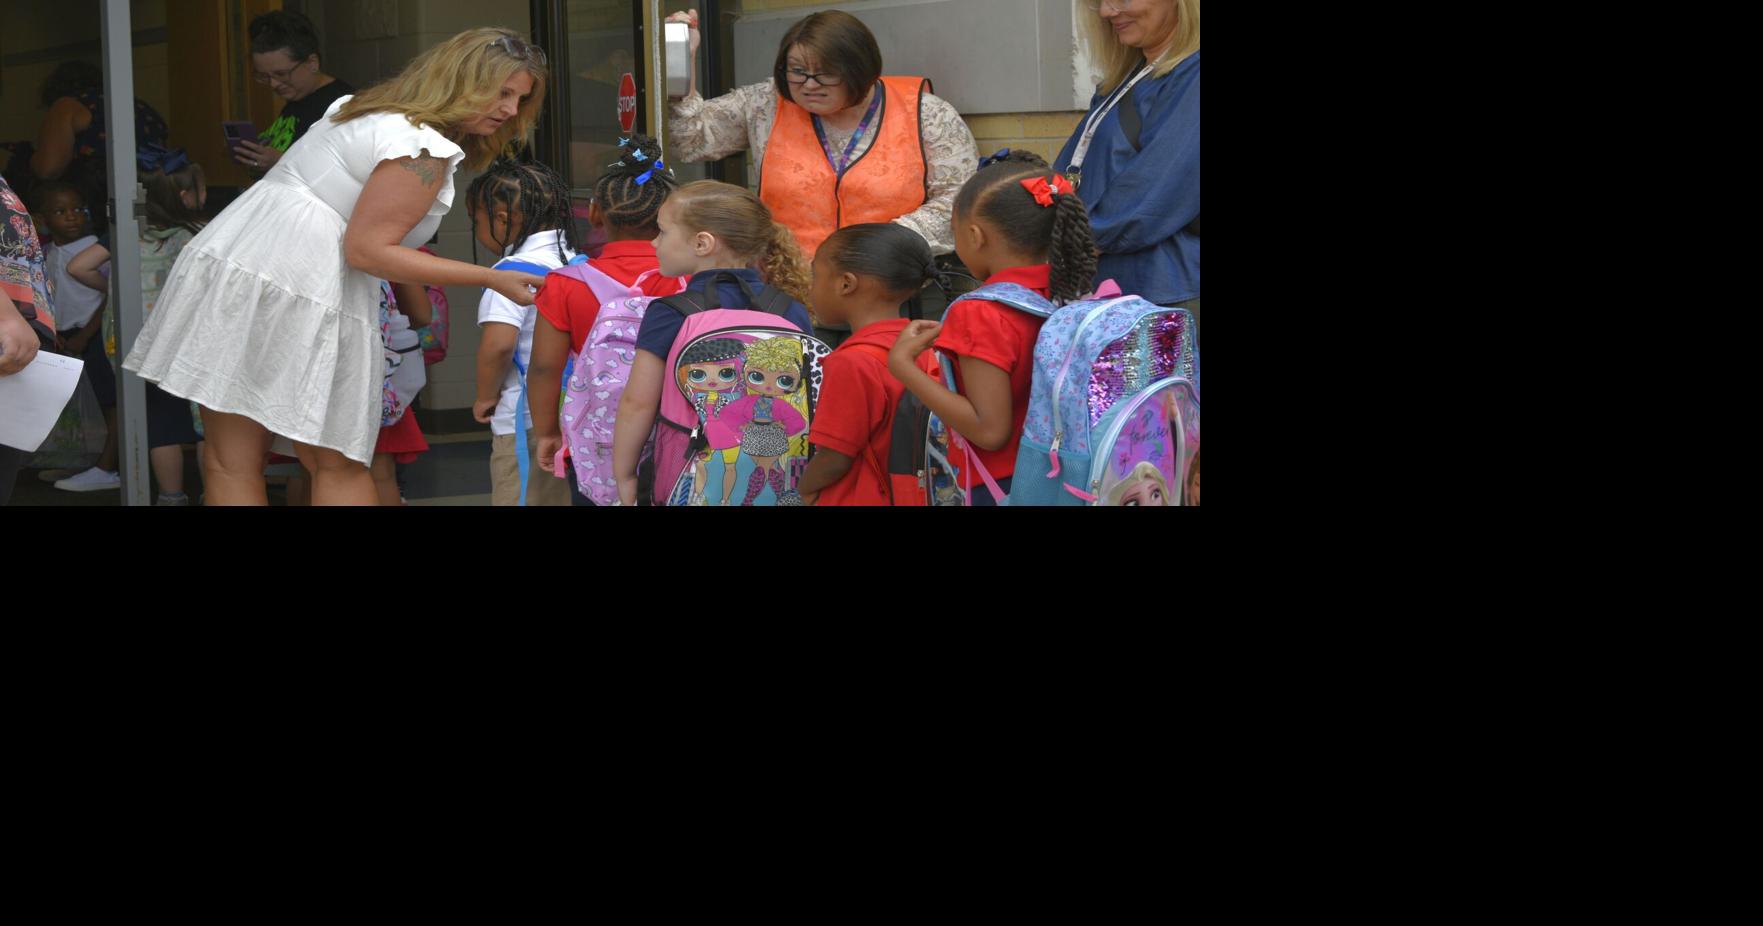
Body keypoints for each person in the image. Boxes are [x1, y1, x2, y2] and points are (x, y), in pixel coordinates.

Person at [122, 28, 552, 506]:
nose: (511, 110)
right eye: (503, 92)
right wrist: (492, 276)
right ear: (460, 79)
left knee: (230, 459)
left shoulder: (357, 108)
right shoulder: (421, 148)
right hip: (303, 280)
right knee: (338, 463)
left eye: (520, 98)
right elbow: (367, 251)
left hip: (234, 260)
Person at [887, 153, 1096, 506]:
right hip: (1067, 476)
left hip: (1004, 483)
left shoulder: (980, 313)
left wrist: (904, 366)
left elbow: (990, 430)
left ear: (974, 235)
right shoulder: (1072, 292)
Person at [1054, 0, 1199, 337]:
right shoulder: (1126, 80)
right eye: (1099, 2)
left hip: (1161, 295)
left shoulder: (1193, 75)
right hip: (1108, 293)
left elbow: (1157, 189)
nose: (1106, 12)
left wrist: (1071, 238)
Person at [231, 10, 356, 177]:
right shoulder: (297, 98)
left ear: (312, 63)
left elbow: (344, 174)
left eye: (281, 74)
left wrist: (280, 162)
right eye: (264, 76)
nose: (273, 84)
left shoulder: (341, 105)